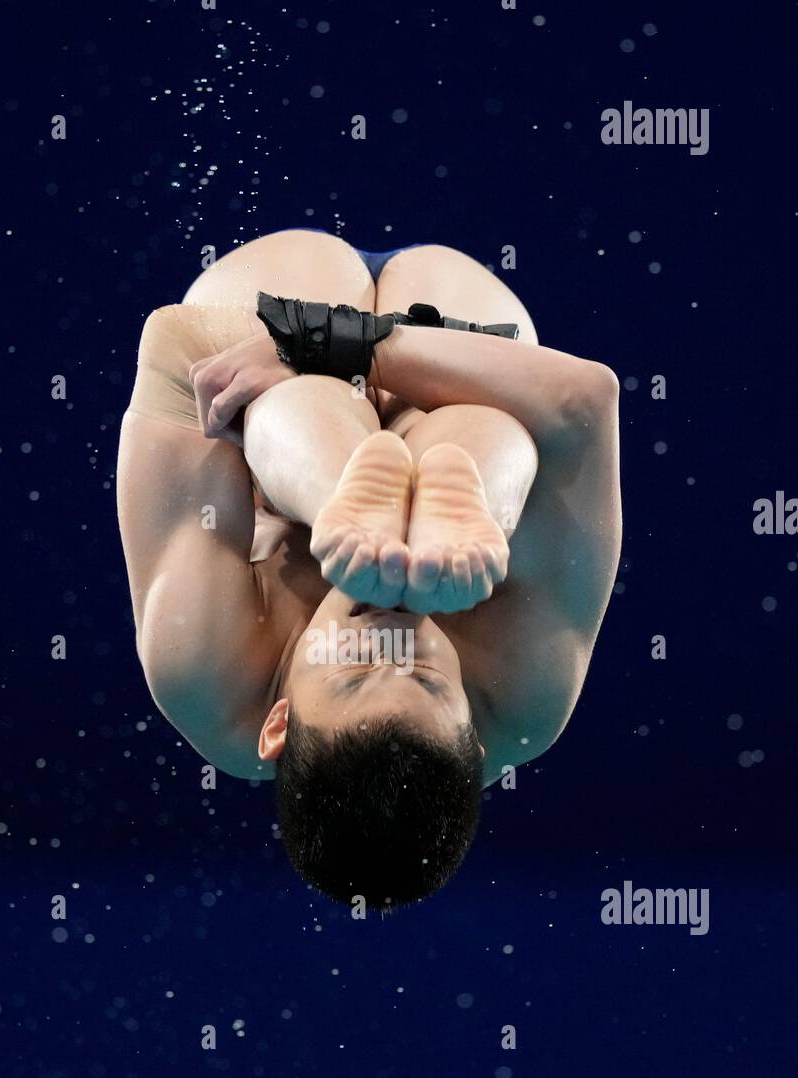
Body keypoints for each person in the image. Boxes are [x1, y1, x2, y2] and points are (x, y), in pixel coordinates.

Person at [117, 229, 621, 909]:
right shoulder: (524, 697)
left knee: (288, 403)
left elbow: (179, 346)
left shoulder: (205, 675)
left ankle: (338, 500)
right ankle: (457, 494)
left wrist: (321, 345)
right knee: (483, 432)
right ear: (474, 741)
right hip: (452, 351)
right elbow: (585, 404)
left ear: (278, 723)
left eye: (355, 670)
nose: (391, 633)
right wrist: (363, 346)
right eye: (424, 676)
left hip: (296, 318)